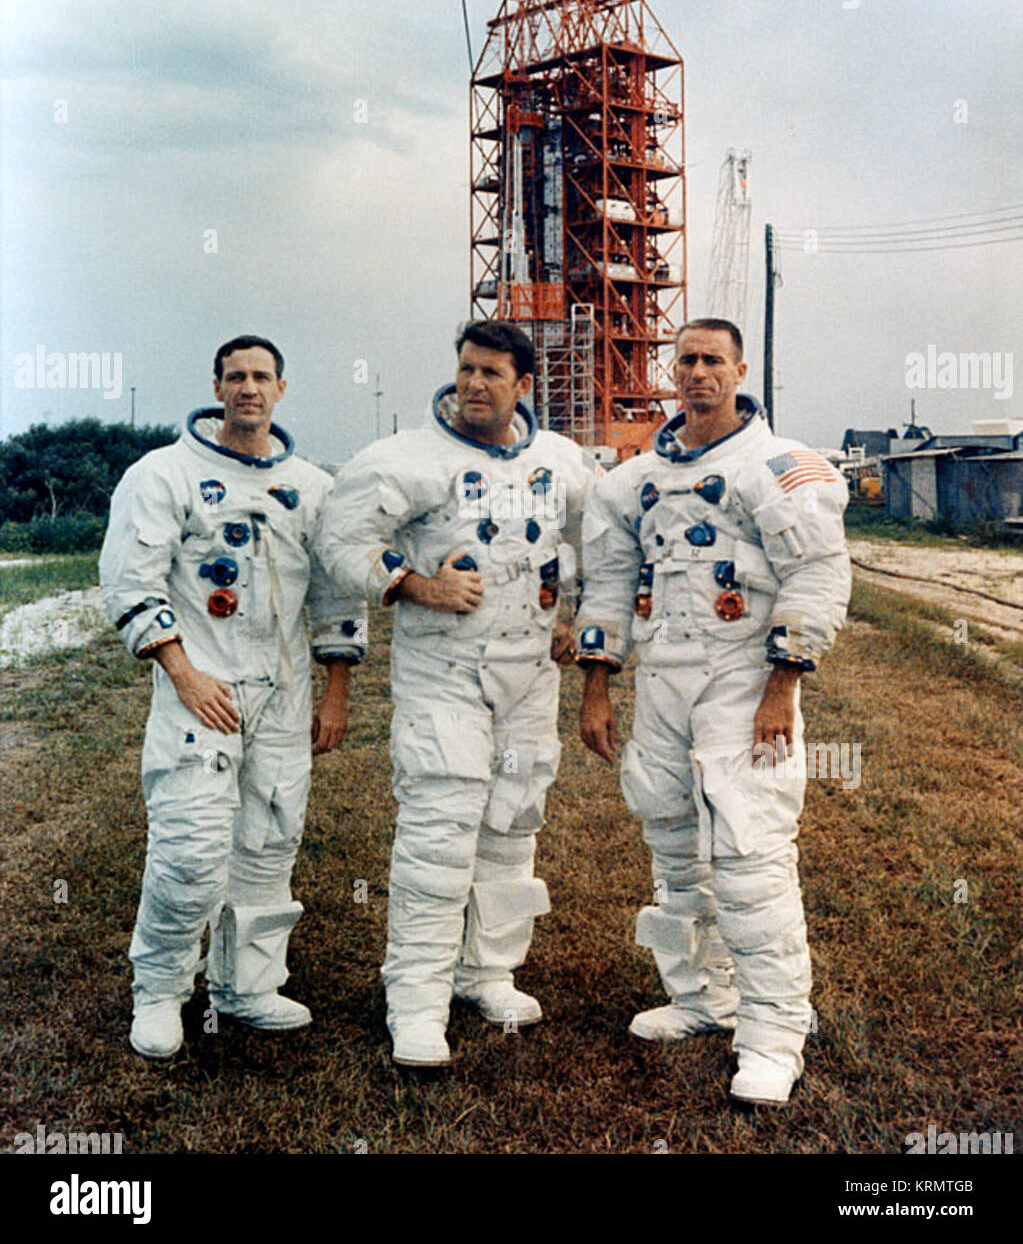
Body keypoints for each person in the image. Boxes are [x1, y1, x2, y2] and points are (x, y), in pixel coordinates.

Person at [576, 319, 850, 1105]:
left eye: (710, 361)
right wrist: (597, 687)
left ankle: (772, 1034)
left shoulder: (779, 466)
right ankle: (701, 996)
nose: (696, 372)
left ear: (736, 370)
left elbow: (815, 577)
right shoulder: (629, 483)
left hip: (741, 679)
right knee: (670, 842)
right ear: (672, 370)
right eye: (685, 360)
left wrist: (781, 687)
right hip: (663, 678)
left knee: (748, 852)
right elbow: (605, 584)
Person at [318, 320, 597, 1067]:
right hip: (444, 671)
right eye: (466, 369)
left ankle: (488, 972)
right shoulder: (408, 459)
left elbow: (600, 542)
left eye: (492, 373)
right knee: (441, 832)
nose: (475, 384)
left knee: (511, 827)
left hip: (528, 674)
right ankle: (415, 1001)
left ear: (523, 386)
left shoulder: (561, 460)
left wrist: (577, 617)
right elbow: (337, 538)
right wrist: (414, 583)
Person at [99, 335, 365, 1059]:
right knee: (191, 850)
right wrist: (182, 673)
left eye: (261, 377)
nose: (248, 389)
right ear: (216, 387)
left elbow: (337, 592)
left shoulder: (311, 487)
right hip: (201, 690)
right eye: (235, 377)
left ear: (282, 388)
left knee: (267, 845)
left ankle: (245, 986)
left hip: (281, 696)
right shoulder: (166, 474)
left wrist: (335, 692)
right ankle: (158, 991)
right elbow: (131, 580)